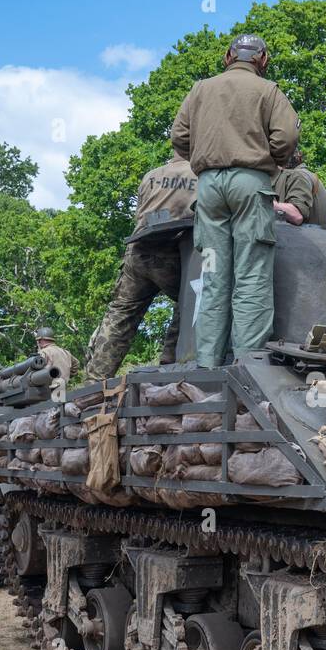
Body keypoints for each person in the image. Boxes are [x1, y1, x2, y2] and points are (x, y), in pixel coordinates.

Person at [171, 34, 300, 369]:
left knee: (213, 278)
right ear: (263, 60)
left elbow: (179, 138)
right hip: (250, 186)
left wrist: (206, 155)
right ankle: (248, 369)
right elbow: (285, 139)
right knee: (251, 277)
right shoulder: (268, 90)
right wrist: (269, 158)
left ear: (228, 57)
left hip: (209, 190)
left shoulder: (200, 89)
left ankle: (207, 367)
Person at [83, 154, 197, 380]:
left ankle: (94, 380)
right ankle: (171, 359)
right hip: (171, 253)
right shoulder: (200, 176)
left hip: (137, 251)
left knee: (120, 314)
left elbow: (140, 213)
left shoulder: (150, 176)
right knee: (190, 300)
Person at [273, 149, 326, 226]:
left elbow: (296, 215)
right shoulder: (303, 174)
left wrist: (264, 203)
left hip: (307, 236)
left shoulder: (298, 175)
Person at [34, 328, 79, 403]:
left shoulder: (43, 353)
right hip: (64, 391)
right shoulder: (65, 352)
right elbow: (76, 364)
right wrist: (68, 375)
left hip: (49, 394)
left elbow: (36, 374)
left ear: (40, 340)